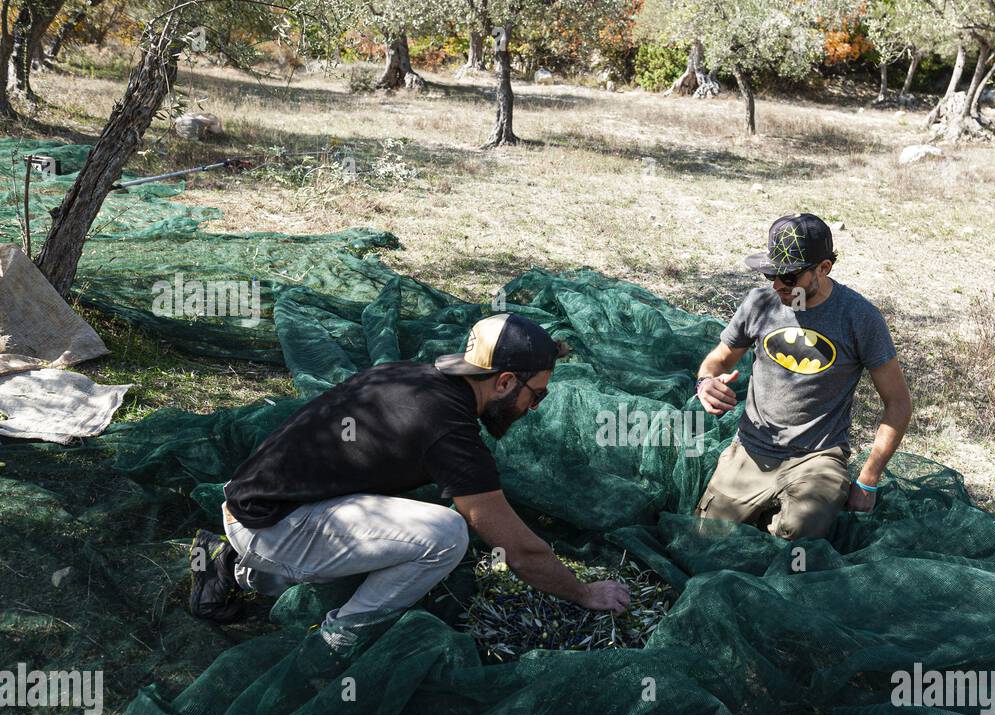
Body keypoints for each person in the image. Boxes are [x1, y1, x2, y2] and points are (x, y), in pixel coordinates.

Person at [188, 313, 631, 665]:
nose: (534, 408)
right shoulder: (448, 430)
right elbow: (518, 551)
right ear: (504, 382)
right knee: (446, 536)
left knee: (415, 518)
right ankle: (338, 643)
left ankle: (227, 560)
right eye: (538, 395)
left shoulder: (418, 376)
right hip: (270, 527)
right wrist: (582, 592)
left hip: (256, 502)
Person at [694, 213, 912, 540]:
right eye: (771, 273)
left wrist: (867, 481)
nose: (777, 284)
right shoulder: (760, 303)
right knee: (706, 540)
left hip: (817, 459)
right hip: (752, 450)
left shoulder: (859, 317)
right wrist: (705, 382)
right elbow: (718, 360)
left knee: (797, 535)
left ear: (823, 269)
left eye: (789, 276)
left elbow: (898, 404)